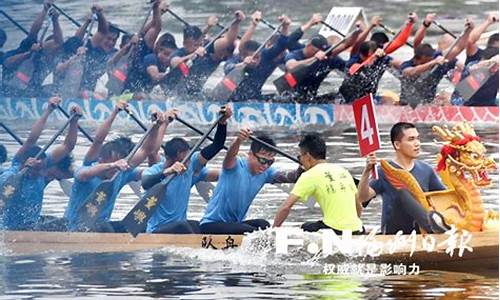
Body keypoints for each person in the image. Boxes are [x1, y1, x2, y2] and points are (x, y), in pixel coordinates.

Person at [65, 101, 171, 231]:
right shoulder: (86, 169)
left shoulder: (121, 173)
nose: (116, 168)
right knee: (104, 227)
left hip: (102, 229)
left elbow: (146, 150)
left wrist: (156, 126)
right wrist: (114, 112)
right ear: (101, 159)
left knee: (139, 227)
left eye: (118, 164)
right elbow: (97, 144)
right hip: (76, 228)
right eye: (113, 163)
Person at [142, 106, 232, 234]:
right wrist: (168, 172)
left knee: (198, 225)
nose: (190, 162)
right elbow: (145, 183)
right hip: (157, 230)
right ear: (179, 155)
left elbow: (217, 145)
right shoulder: (154, 171)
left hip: (180, 228)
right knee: (182, 226)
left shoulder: (190, 167)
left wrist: (222, 123)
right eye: (187, 157)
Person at [0, 96, 80, 230]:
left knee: (63, 224)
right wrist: (48, 111)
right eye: (37, 170)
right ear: (24, 164)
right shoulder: (9, 176)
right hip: (9, 230)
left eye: (42, 169)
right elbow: (31, 140)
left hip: (31, 227)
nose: (42, 174)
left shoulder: (42, 164)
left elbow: (68, 146)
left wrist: (74, 121)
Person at [199, 129, 301, 234]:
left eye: (270, 162)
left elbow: (291, 177)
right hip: (211, 224)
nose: (265, 166)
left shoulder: (266, 172)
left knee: (263, 225)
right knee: (252, 232)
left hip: (236, 224)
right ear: (251, 154)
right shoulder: (235, 166)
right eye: (262, 160)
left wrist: (303, 167)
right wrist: (239, 140)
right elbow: (230, 155)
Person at [357, 122, 450, 234]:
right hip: (394, 233)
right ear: (397, 145)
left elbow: (445, 199)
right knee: (402, 193)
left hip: (421, 231)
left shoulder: (427, 170)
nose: (417, 143)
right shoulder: (384, 170)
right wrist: (367, 171)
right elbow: (362, 198)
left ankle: (435, 227)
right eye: (411, 139)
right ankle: (432, 227)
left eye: (417, 138)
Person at [273, 134, 363, 234]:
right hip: (358, 228)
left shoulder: (309, 175)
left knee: (304, 227)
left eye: (300, 157)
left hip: (334, 230)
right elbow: (358, 206)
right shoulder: (343, 171)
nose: (300, 161)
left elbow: (286, 207)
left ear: (307, 156)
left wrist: (272, 232)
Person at [339, 14, 413, 103]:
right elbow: (354, 69)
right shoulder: (354, 59)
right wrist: (370, 26)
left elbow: (399, 43)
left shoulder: (381, 58)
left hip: (368, 100)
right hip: (345, 100)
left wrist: (409, 24)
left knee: (389, 100)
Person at [169, 10, 244, 98]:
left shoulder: (206, 50)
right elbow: (174, 62)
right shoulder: (179, 53)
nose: (197, 48)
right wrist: (193, 54)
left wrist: (236, 23)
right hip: (175, 95)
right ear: (184, 43)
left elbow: (227, 41)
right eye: (194, 45)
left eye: (199, 44)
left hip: (197, 95)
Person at [399, 18, 473, 106]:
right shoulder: (406, 65)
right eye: (429, 59)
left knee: (445, 100)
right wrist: (433, 62)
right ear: (421, 58)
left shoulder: (437, 59)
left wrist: (468, 31)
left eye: (432, 58)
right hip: (407, 105)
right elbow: (412, 71)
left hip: (428, 104)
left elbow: (458, 48)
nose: (432, 59)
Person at [221, 11, 292, 101]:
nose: (255, 61)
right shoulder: (238, 58)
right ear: (243, 56)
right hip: (230, 97)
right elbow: (227, 67)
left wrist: (285, 27)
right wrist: (242, 65)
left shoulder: (267, 56)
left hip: (254, 98)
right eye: (253, 58)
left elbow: (282, 43)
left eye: (257, 58)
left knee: (285, 96)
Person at [2, 1, 63, 97]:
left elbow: (58, 43)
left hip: (30, 95)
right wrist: (45, 10)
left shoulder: (47, 59)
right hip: (7, 93)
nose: (55, 50)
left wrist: (55, 20)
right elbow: (8, 63)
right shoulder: (17, 52)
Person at [283, 27, 358, 99]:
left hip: (310, 97)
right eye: (316, 51)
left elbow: (345, 45)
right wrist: (314, 58)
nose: (320, 53)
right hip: (290, 95)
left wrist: (357, 32)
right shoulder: (294, 54)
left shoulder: (325, 57)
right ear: (309, 46)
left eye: (322, 51)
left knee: (336, 98)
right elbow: (291, 66)